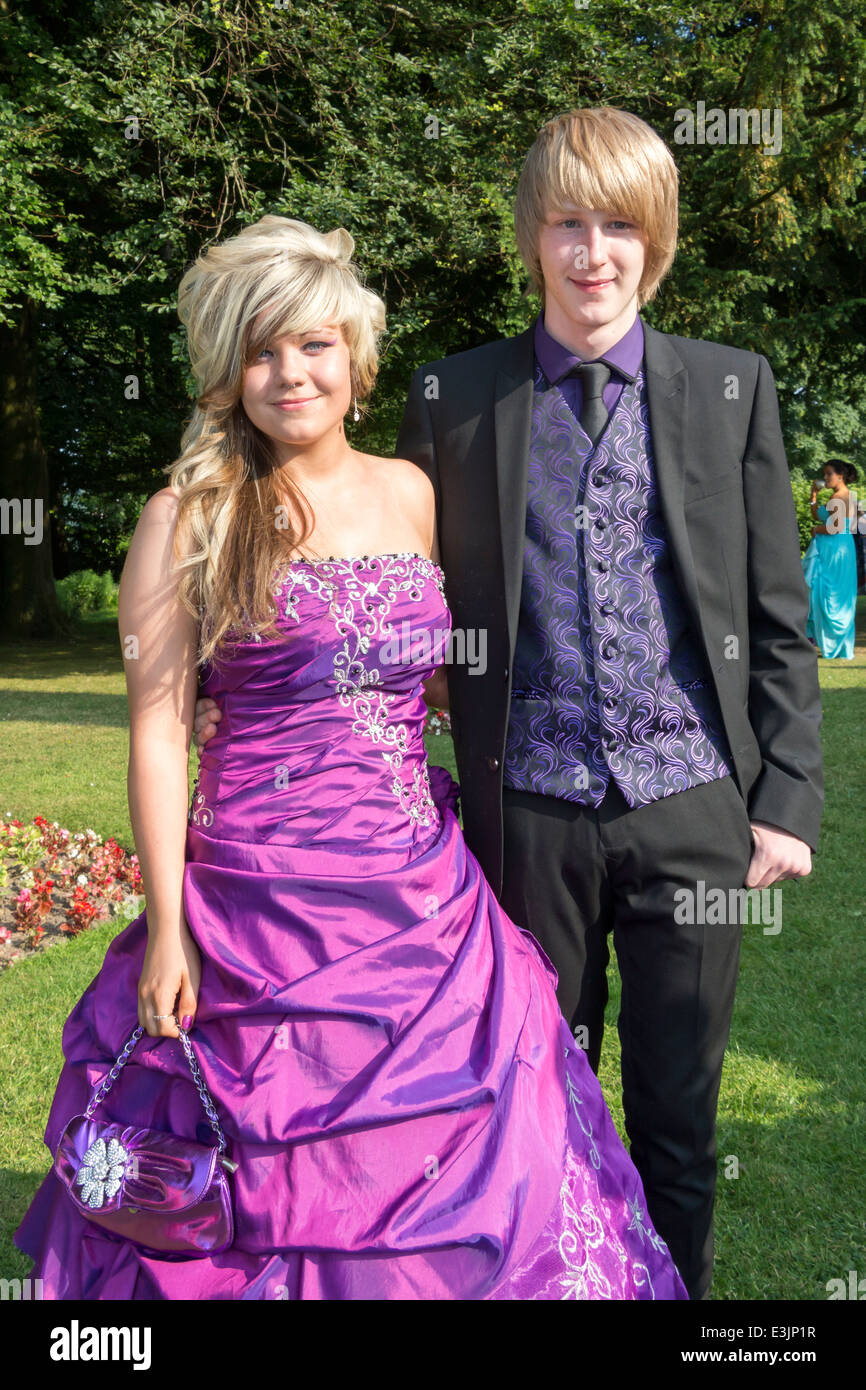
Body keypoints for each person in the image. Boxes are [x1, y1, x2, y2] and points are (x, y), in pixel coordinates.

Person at [197, 109, 823, 1301]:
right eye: (567, 224)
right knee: (532, 1103)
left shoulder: (729, 388)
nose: (593, 253)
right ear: (532, 239)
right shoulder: (457, 395)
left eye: (619, 228)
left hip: (690, 804)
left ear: (656, 241)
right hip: (523, 809)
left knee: (680, 1115)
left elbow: (776, 611)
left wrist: (781, 798)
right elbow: (392, 579)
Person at [13, 214, 687, 1300]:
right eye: (261, 349)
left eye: (313, 344)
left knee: (472, 1138)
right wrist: (170, 927)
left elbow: (433, 676)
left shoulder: (412, 492)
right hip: (256, 897)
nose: (289, 372)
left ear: (357, 359)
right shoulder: (187, 517)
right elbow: (154, 729)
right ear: (228, 371)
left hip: (420, 886)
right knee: (271, 1153)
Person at [802, 459, 858, 659]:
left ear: (840, 476)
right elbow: (818, 515)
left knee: (828, 593)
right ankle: (832, 643)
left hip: (835, 550)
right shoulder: (846, 495)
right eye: (824, 474)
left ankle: (831, 644)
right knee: (833, 593)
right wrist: (813, 495)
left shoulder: (839, 497)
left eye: (829, 474)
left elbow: (833, 528)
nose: (825, 478)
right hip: (841, 548)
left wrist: (815, 530)